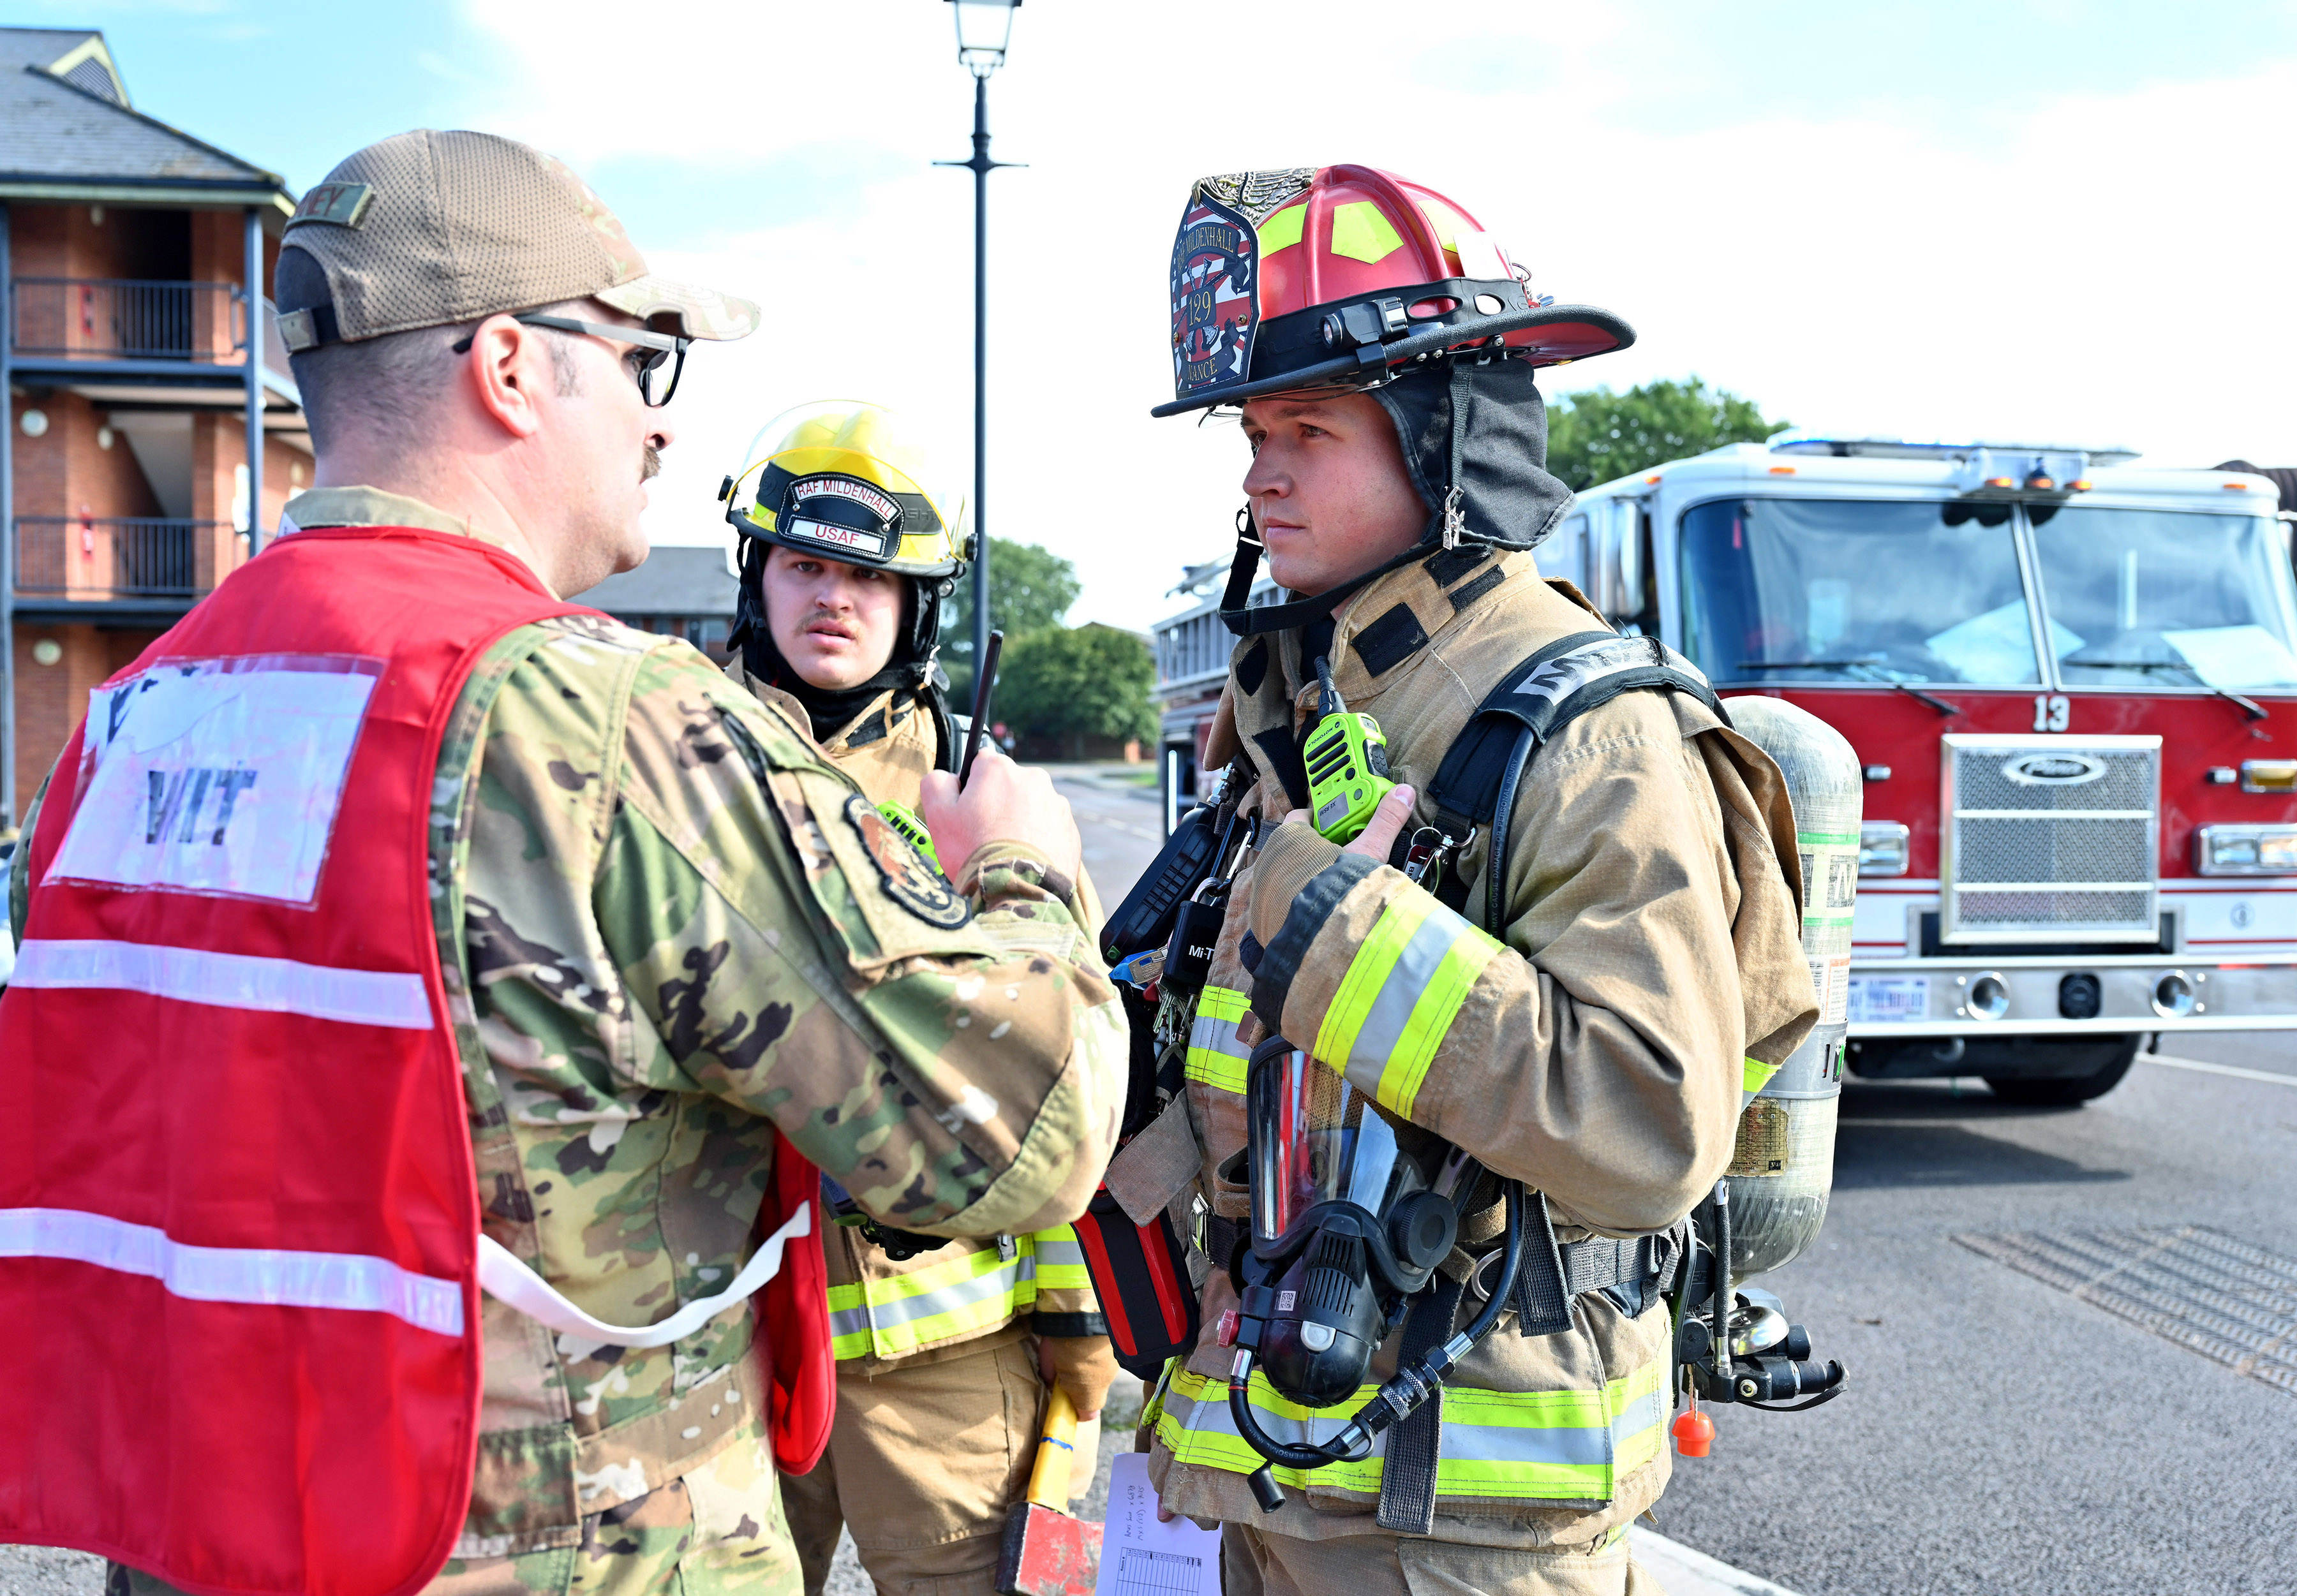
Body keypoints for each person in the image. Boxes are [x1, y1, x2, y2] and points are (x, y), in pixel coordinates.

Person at [0, 131, 1124, 1596]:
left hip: (219, 1535)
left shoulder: (125, 730)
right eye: (644, 367)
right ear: (514, 368)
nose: (660, 429)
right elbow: (1023, 1127)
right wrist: (1028, 873)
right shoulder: (611, 727)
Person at [1130, 166, 1819, 1593]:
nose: (1261, 472)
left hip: (1467, 1524)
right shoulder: (1309, 697)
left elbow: (1648, 1120)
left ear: (1446, 437)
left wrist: (1337, 931)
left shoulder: (1588, 728)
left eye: (1307, 429)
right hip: (1288, 1465)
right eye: (1254, 431)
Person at [716, 402, 1120, 1594]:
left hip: (941, 1354)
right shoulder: (668, 764)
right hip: (722, 1337)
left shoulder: (985, 805)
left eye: (865, 574)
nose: (831, 595)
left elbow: (1064, 1076)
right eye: (803, 563)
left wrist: (1078, 1318)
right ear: (758, 575)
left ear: (918, 604)